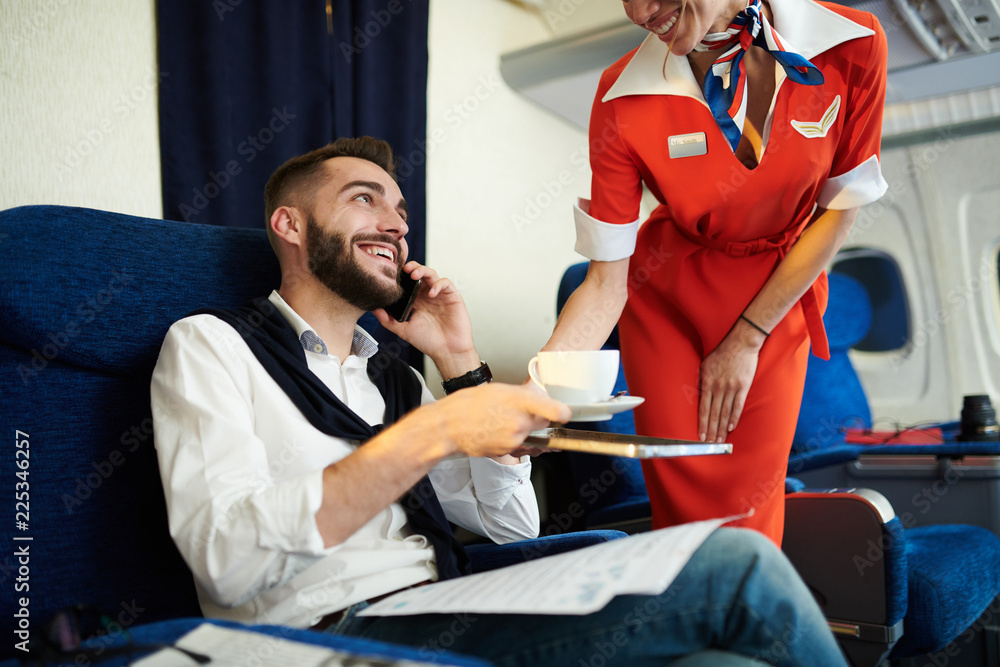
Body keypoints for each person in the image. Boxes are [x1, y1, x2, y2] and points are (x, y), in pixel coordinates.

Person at [151, 137, 847, 666]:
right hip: (325, 632)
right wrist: (434, 431)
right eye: (365, 199)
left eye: (400, 211)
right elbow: (226, 561)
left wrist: (457, 360)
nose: (396, 225)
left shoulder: (394, 379)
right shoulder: (211, 346)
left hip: (443, 603)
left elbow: (509, 526)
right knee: (735, 563)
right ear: (290, 226)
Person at [541, 0, 889, 545]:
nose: (638, 12)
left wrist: (747, 338)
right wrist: (538, 395)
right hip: (666, 304)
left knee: (750, 513)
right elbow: (605, 280)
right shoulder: (621, 94)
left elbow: (840, 209)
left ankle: (748, 621)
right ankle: (694, 621)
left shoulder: (852, 41)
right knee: (683, 511)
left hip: (777, 295)